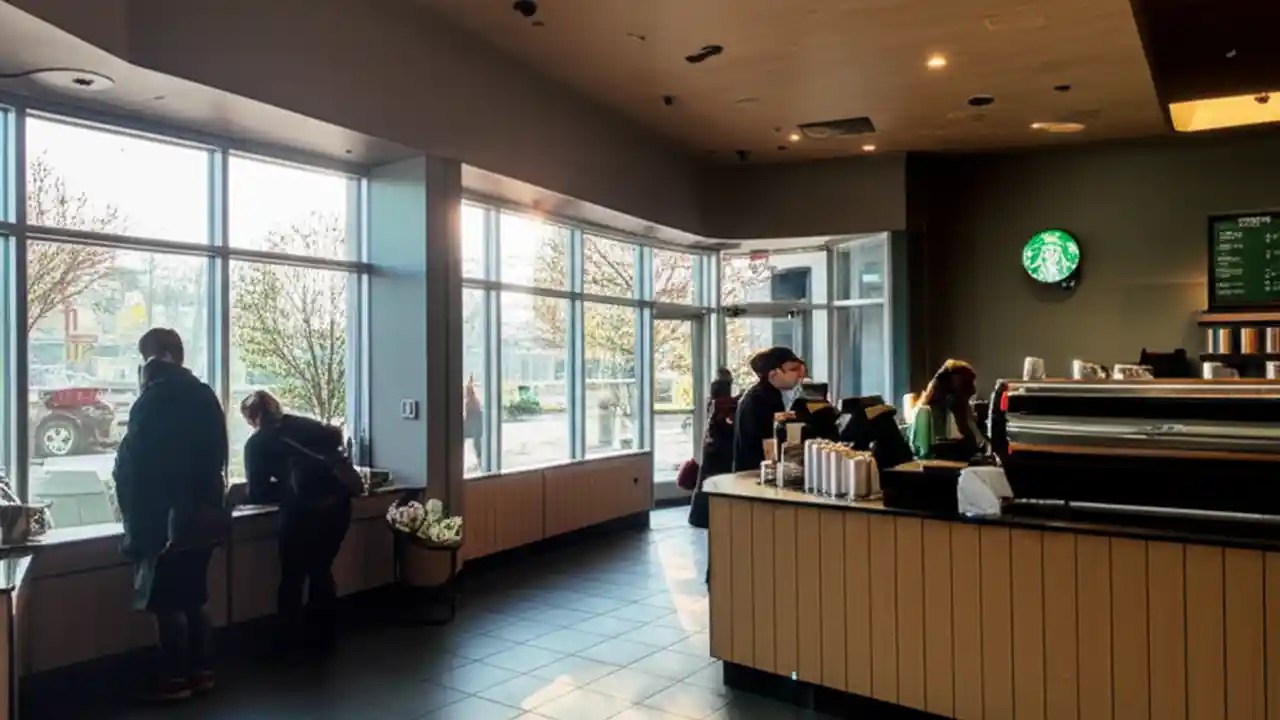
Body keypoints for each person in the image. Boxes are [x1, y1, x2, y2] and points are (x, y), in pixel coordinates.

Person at [114, 328, 227, 702]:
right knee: (194, 598)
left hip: (162, 518)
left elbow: (138, 464)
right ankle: (203, 671)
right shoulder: (205, 395)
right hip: (204, 514)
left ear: (158, 357)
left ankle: (174, 678)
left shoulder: (153, 401)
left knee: (165, 602)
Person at [241, 390, 351, 652]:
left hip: (302, 513)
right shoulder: (309, 426)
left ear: (253, 417)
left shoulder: (258, 444)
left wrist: (283, 491)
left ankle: (288, 640)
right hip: (338, 507)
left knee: (292, 576)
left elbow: (257, 492)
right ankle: (324, 637)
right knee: (321, 570)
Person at [733, 346, 805, 471]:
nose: (799, 375)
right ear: (773, 374)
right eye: (793, 370)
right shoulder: (763, 399)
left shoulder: (760, 394)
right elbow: (769, 442)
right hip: (755, 472)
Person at [910, 359, 990, 460]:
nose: (973, 390)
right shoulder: (925, 413)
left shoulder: (949, 409)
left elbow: (974, 440)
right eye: (966, 383)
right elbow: (924, 452)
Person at [688, 368, 736, 529]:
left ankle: (698, 516)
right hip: (721, 451)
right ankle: (707, 517)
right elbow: (728, 426)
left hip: (711, 450)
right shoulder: (726, 405)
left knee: (705, 482)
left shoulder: (712, 403)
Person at [463, 375, 484, 471]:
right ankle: (479, 462)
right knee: (476, 443)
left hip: (474, 423)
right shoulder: (471, 401)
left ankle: (480, 462)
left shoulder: (472, 401)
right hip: (472, 423)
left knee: (476, 443)